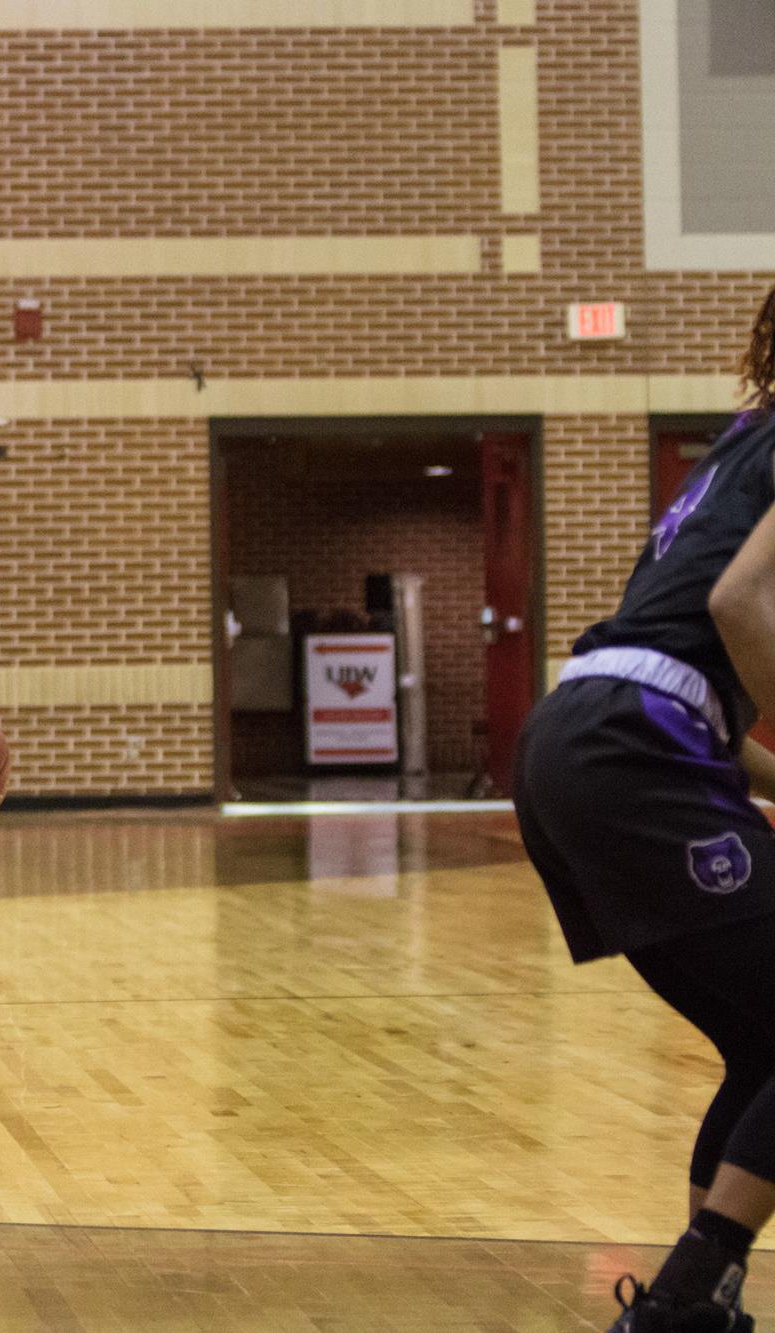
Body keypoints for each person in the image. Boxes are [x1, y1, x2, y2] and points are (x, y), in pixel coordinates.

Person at [515, 287, 775, 1333]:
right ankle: (682, 1294)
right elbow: (733, 605)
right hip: (633, 743)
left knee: (764, 1042)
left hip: (587, 727)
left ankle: (701, 1302)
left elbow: (688, 667)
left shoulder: (742, 441)